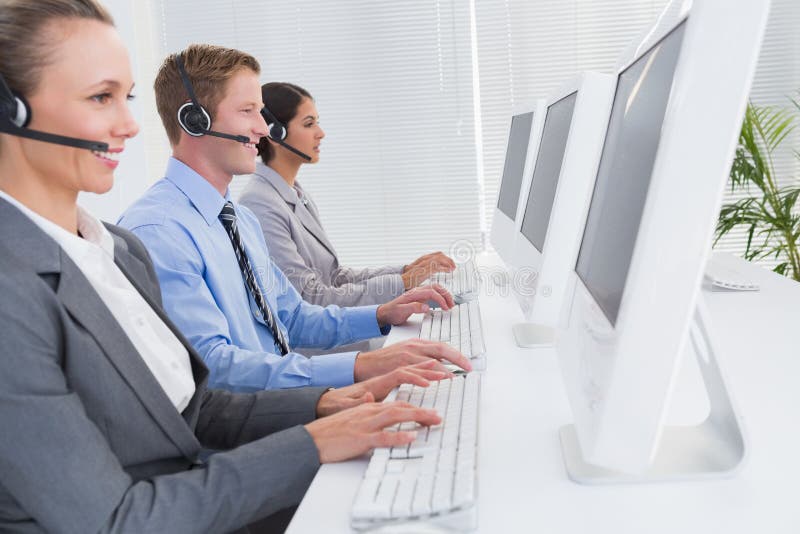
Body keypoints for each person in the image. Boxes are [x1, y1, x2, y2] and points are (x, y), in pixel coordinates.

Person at [0, 1, 449, 531]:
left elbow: (195, 406)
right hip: (182, 506)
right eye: (101, 97)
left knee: (430, 478)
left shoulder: (118, 250)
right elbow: (115, 519)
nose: (129, 125)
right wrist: (312, 440)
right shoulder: (100, 256)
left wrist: (326, 403)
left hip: (216, 476)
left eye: (127, 98)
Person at [117, 44, 472, 393]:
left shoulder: (238, 220)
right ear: (195, 121)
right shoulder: (160, 233)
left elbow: (293, 316)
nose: (263, 129)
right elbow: (214, 366)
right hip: (249, 431)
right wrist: (360, 366)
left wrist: (381, 315)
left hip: (285, 403)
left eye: (261, 112)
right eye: (248, 111)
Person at [239, 82, 456, 307]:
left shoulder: (295, 193)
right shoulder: (260, 203)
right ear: (275, 133)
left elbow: (333, 278)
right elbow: (308, 298)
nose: (320, 133)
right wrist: (402, 283)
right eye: (309, 124)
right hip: (316, 338)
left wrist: (406, 272)